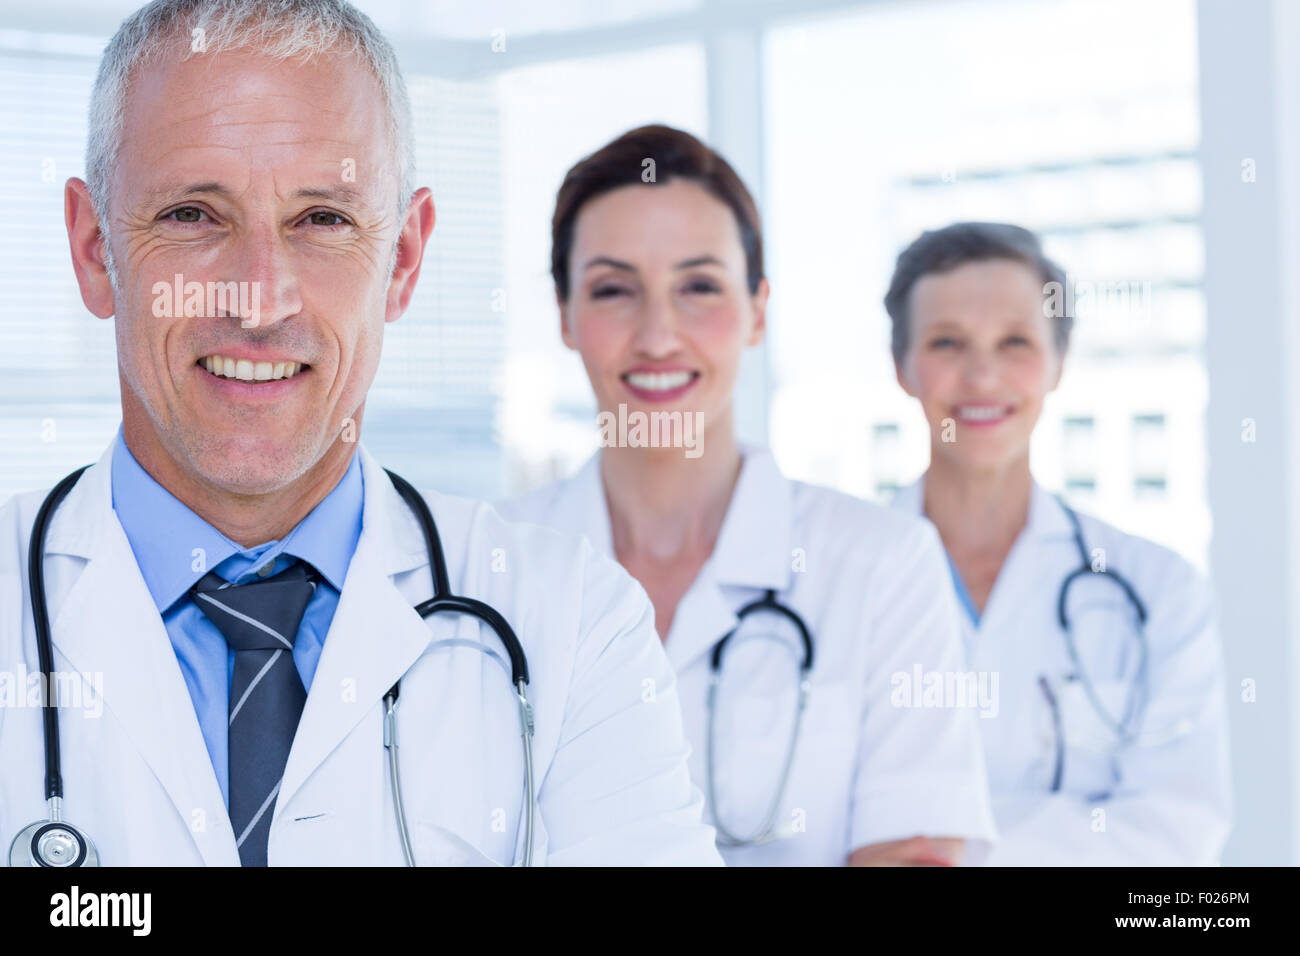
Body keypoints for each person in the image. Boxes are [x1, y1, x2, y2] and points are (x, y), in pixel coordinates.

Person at [0, 0, 723, 867]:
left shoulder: (571, 625)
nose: (259, 300)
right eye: (193, 214)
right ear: (92, 250)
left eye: (323, 220)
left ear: (404, 260)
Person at [499, 124, 998, 866]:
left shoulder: (881, 563)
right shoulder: (491, 569)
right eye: (613, 290)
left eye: (699, 286)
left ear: (759, 310)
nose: (659, 335)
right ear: (565, 315)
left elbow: (917, 848)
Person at [885, 221, 1233, 864]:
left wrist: (956, 851)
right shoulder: (833, 578)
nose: (982, 375)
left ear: (1058, 362)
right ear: (901, 367)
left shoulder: (1158, 590)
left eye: (1015, 341)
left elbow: (1178, 837)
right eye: (947, 342)